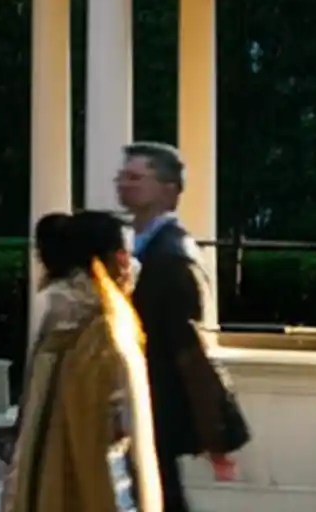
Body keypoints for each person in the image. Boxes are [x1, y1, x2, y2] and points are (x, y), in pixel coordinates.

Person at [116, 142, 249, 512]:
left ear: (168, 189)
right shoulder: (139, 249)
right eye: (123, 177)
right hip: (140, 397)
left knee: (159, 494)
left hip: (159, 399)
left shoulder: (172, 257)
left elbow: (190, 347)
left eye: (136, 177)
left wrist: (216, 432)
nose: (125, 185)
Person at [1, 211, 162, 512]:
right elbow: (117, 454)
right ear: (110, 262)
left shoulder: (54, 330)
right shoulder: (108, 336)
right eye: (125, 254)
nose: (130, 264)